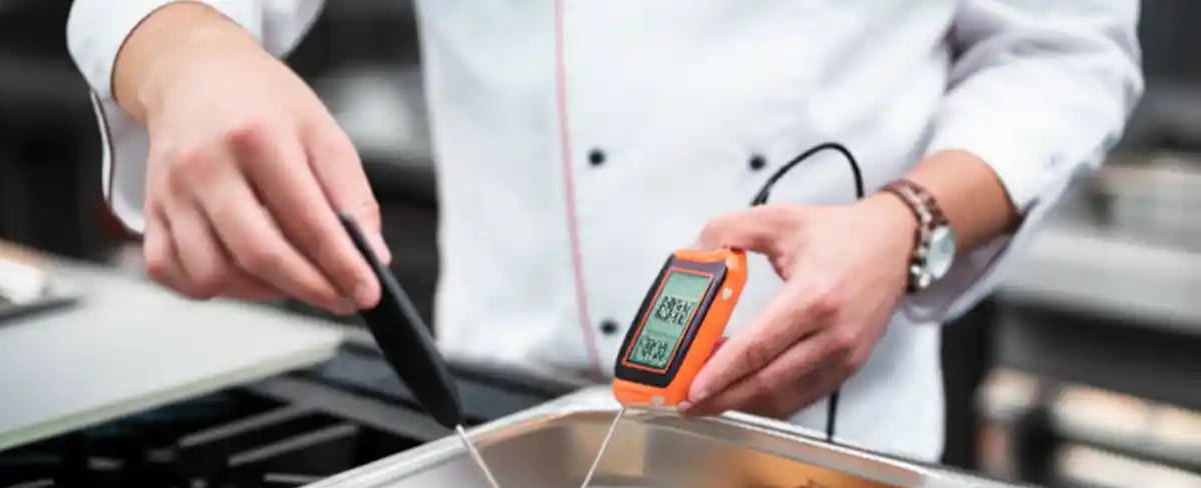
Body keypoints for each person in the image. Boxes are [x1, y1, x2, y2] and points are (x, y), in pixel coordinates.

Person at [66, 1, 1142, 462]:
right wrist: (185, 54)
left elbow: (1062, 51)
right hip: (492, 418)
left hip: (831, 446)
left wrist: (905, 222)